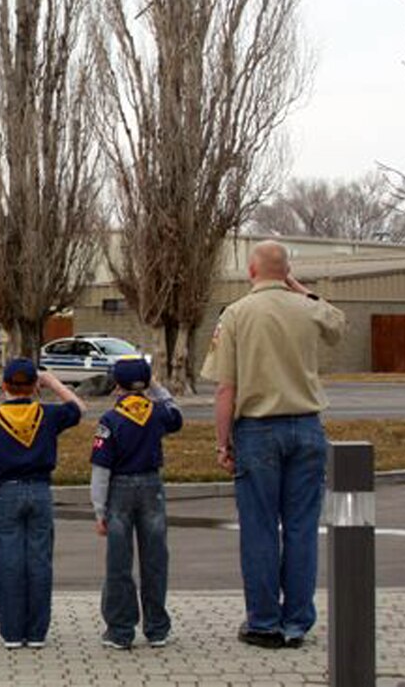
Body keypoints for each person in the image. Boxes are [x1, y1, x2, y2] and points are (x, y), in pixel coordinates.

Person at [200, 240, 346, 649]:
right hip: (308, 428)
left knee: (260, 528)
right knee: (301, 528)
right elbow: (337, 323)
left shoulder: (236, 315)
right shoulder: (307, 307)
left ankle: (264, 622)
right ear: (286, 273)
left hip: (258, 430)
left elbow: (225, 388)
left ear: (250, 271)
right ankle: (297, 621)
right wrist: (296, 287)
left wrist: (222, 442)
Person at [0, 358, 85, 649]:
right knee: (39, 561)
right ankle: (36, 633)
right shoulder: (47, 415)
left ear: (4, 385)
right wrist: (53, 382)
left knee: (8, 561)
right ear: (35, 387)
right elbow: (79, 408)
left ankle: (11, 632)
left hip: (7, 492)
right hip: (41, 491)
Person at [90, 357, 183, 651]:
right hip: (152, 486)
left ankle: (120, 630)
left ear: (117, 384)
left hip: (119, 489)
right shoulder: (156, 413)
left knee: (119, 562)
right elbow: (176, 414)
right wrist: (154, 386)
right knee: (155, 559)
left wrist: (99, 509)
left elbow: (101, 470)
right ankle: (157, 628)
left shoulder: (110, 420)